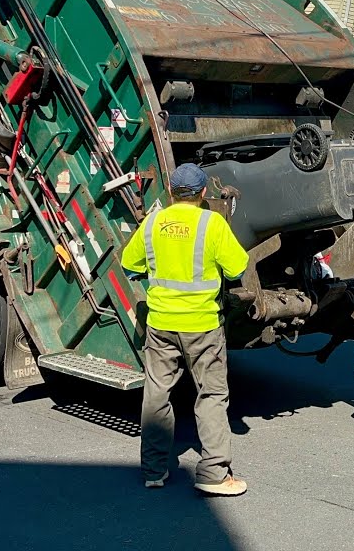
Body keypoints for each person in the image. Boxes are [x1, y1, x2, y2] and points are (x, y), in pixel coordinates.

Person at [122, 162, 250, 496]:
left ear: (171, 192)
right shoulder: (212, 223)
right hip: (202, 326)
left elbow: (128, 264)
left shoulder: (153, 222)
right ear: (204, 192)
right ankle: (214, 474)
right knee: (210, 396)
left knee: (157, 394)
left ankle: (153, 470)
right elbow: (238, 267)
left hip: (161, 324)